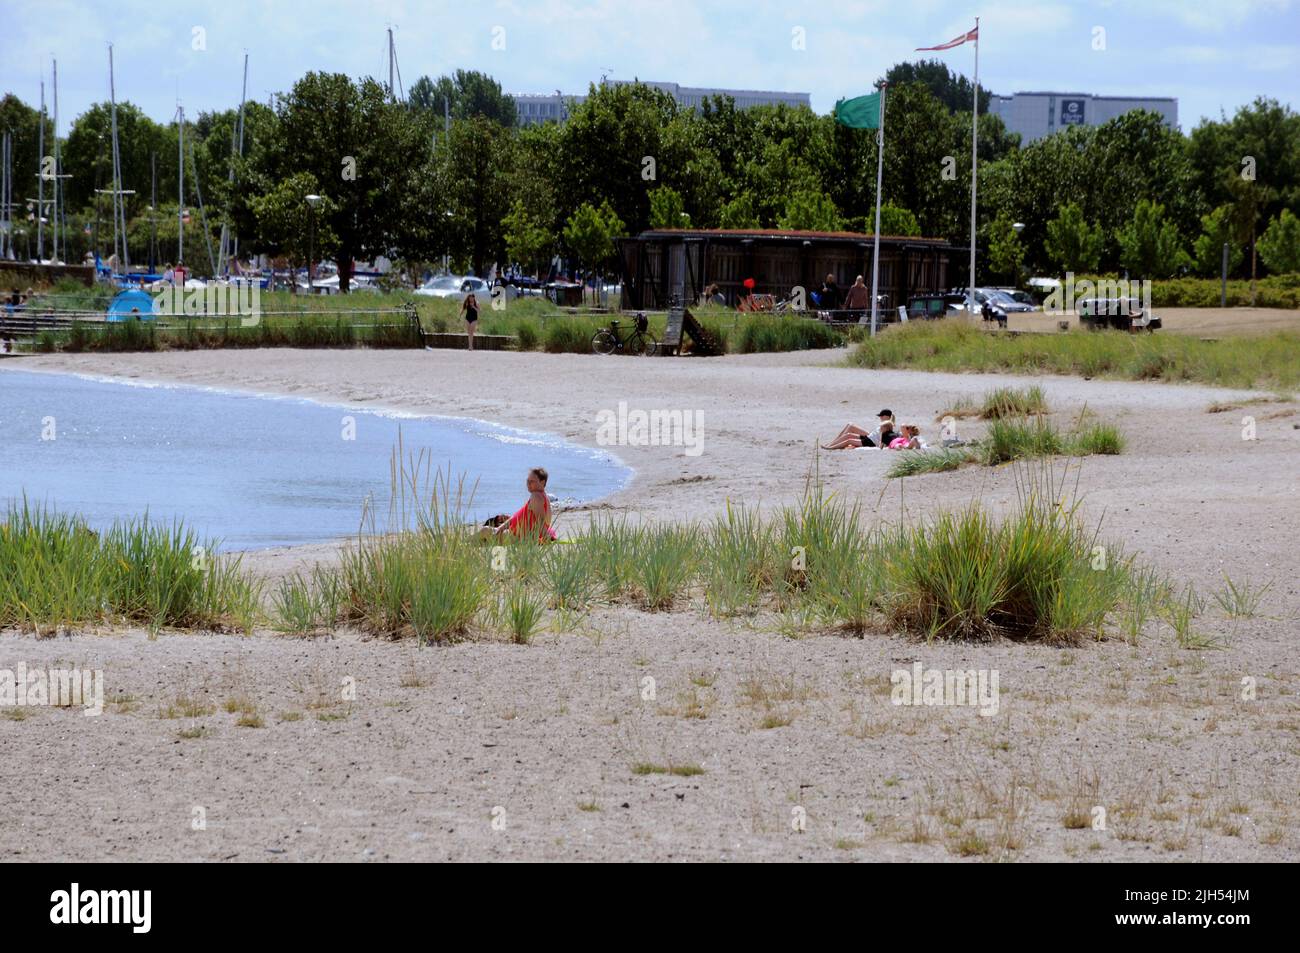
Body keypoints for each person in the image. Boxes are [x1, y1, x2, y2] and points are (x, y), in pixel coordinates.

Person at [480, 467, 556, 542]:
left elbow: (541, 522)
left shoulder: (536, 496)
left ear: (542, 482)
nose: (528, 484)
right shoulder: (542, 496)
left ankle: (468, 545)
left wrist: (547, 538)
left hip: (518, 537)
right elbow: (514, 517)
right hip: (518, 534)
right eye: (527, 481)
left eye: (532, 481)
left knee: (484, 530)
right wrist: (500, 528)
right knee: (487, 533)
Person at [822, 409, 897, 450]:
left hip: (871, 441)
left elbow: (883, 438)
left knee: (849, 439)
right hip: (870, 437)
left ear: (887, 416)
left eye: (881, 416)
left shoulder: (888, 424)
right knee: (849, 433)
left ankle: (831, 447)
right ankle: (831, 444)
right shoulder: (885, 423)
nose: (880, 417)